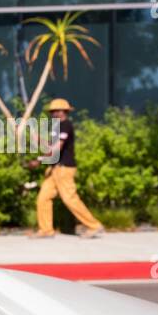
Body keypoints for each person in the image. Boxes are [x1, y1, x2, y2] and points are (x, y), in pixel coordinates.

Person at [30, 98, 104, 239]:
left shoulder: (65, 125)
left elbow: (57, 148)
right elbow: (51, 148)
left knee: (70, 199)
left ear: (63, 112)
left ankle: (94, 226)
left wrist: (40, 159)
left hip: (64, 169)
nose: (53, 114)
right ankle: (46, 230)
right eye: (51, 112)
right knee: (43, 198)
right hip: (54, 169)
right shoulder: (57, 127)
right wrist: (39, 141)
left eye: (55, 111)